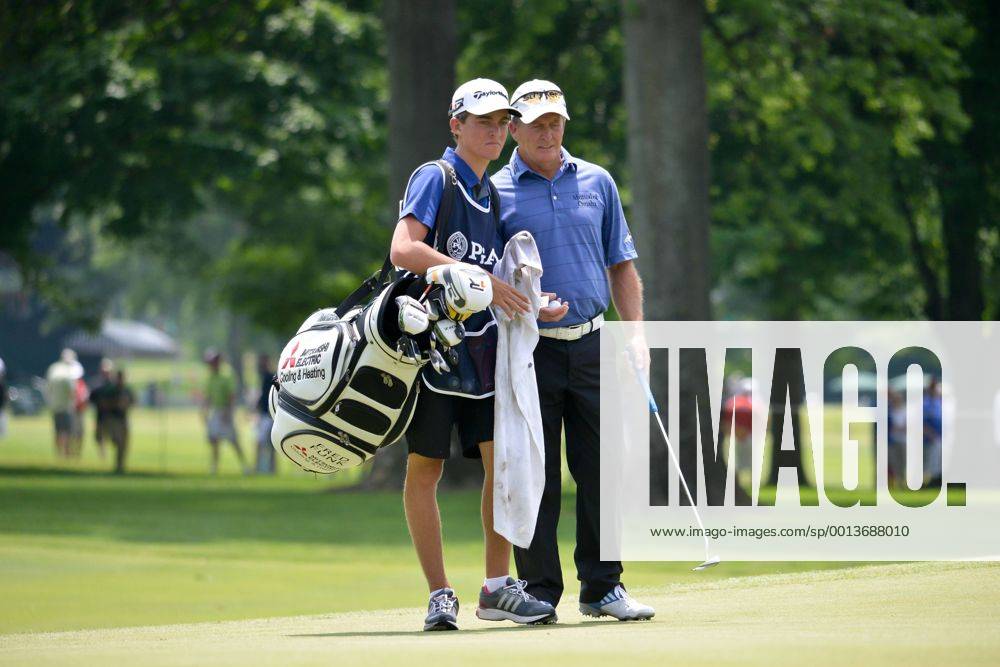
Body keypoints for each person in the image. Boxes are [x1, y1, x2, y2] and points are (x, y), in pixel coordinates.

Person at [388, 78, 560, 631]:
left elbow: (501, 276)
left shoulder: (494, 192)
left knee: (500, 464)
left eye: (501, 122)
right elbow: (404, 248)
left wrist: (534, 304)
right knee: (426, 467)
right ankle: (440, 593)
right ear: (455, 124)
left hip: (484, 354)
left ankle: (494, 588)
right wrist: (479, 276)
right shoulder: (434, 177)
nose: (494, 131)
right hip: (431, 350)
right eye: (482, 121)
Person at [491, 79, 655, 620]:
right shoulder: (495, 192)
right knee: (536, 474)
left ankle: (602, 587)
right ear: (513, 128)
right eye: (536, 124)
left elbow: (622, 266)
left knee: (603, 469)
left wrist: (635, 331)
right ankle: (539, 591)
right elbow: (486, 278)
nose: (547, 132)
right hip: (528, 351)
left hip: (591, 345)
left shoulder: (597, 182)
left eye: (555, 122)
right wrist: (528, 306)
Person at [202, 350, 250, 475]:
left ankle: (245, 466)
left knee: (233, 441)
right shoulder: (211, 376)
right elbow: (209, 397)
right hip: (217, 411)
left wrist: (229, 413)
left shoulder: (226, 374)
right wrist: (204, 411)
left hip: (225, 411)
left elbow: (231, 396)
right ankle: (214, 466)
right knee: (214, 440)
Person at [90, 367, 134, 474]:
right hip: (113, 420)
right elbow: (102, 403)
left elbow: (132, 401)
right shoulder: (110, 390)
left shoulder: (127, 390)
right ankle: (119, 466)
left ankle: (120, 466)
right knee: (117, 442)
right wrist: (115, 404)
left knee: (124, 444)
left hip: (123, 420)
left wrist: (125, 404)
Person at [46, 349, 82, 458]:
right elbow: (72, 391)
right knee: (67, 431)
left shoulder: (53, 368)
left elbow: (48, 388)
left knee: (58, 431)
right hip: (67, 406)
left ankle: (58, 453)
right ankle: (66, 453)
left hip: (55, 405)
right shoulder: (69, 371)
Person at [254, 353, 277, 475]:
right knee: (265, 442)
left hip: (268, 414)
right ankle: (267, 468)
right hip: (264, 414)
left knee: (263, 442)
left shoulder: (270, 377)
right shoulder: (264, 377)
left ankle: (263, 467)